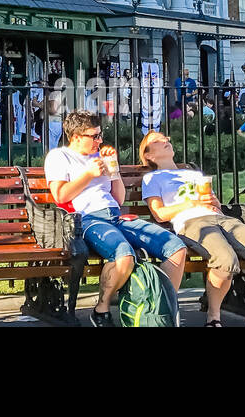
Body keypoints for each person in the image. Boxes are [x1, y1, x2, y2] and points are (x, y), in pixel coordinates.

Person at [44, 110, 187, 327]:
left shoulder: (101, 156)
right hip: (88, 220)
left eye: (100, 135)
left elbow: (118, 199)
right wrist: (89, 175)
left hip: (116, 216)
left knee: (176, 247)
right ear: (75, 137)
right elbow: (60, 195)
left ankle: (161, 308)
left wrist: (114, 170)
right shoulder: (59, 157)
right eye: (94, 136)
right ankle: (101, 309)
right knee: (124, 256)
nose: (99, 141)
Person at [138, 130, 245, 327]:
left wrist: (214, 202)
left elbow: (214, 204)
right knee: (225, 259)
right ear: (149, 155)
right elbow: (159, 214)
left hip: (221, 219)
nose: (166, 140)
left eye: (166, 138)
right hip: (192, 223)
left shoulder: (193, 173)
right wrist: (192, 203)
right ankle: (213, 317)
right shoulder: (153, 178)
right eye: (157, 140)